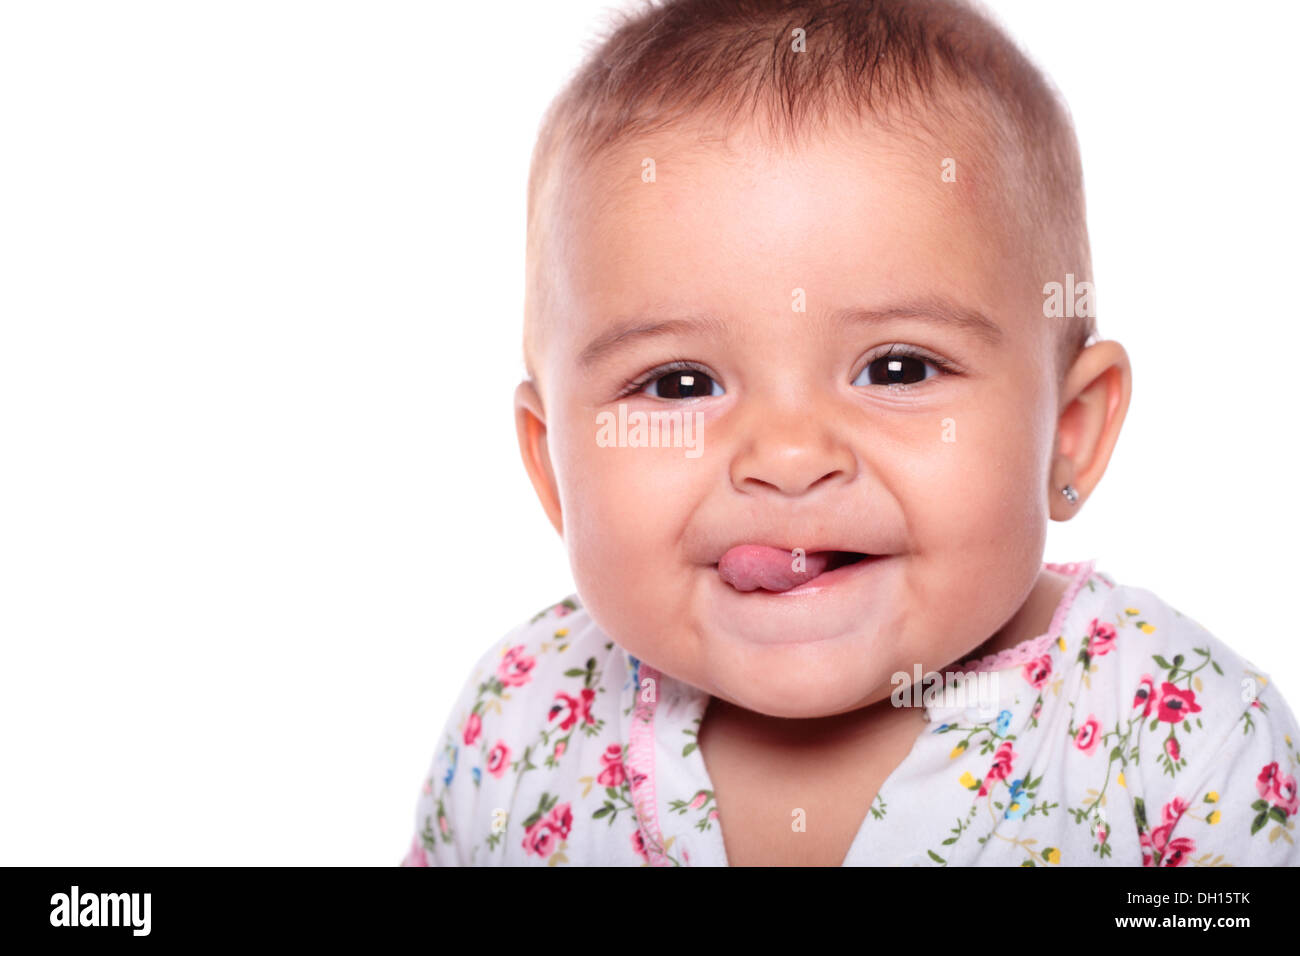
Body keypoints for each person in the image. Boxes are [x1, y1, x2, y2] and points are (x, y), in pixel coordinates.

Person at [401, 0, 1300, 866]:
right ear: (553, 468)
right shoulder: (516, 724)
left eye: (898, 369)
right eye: (679, 384)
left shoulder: (1182, 744)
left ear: (1068, 433)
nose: (789, 459)